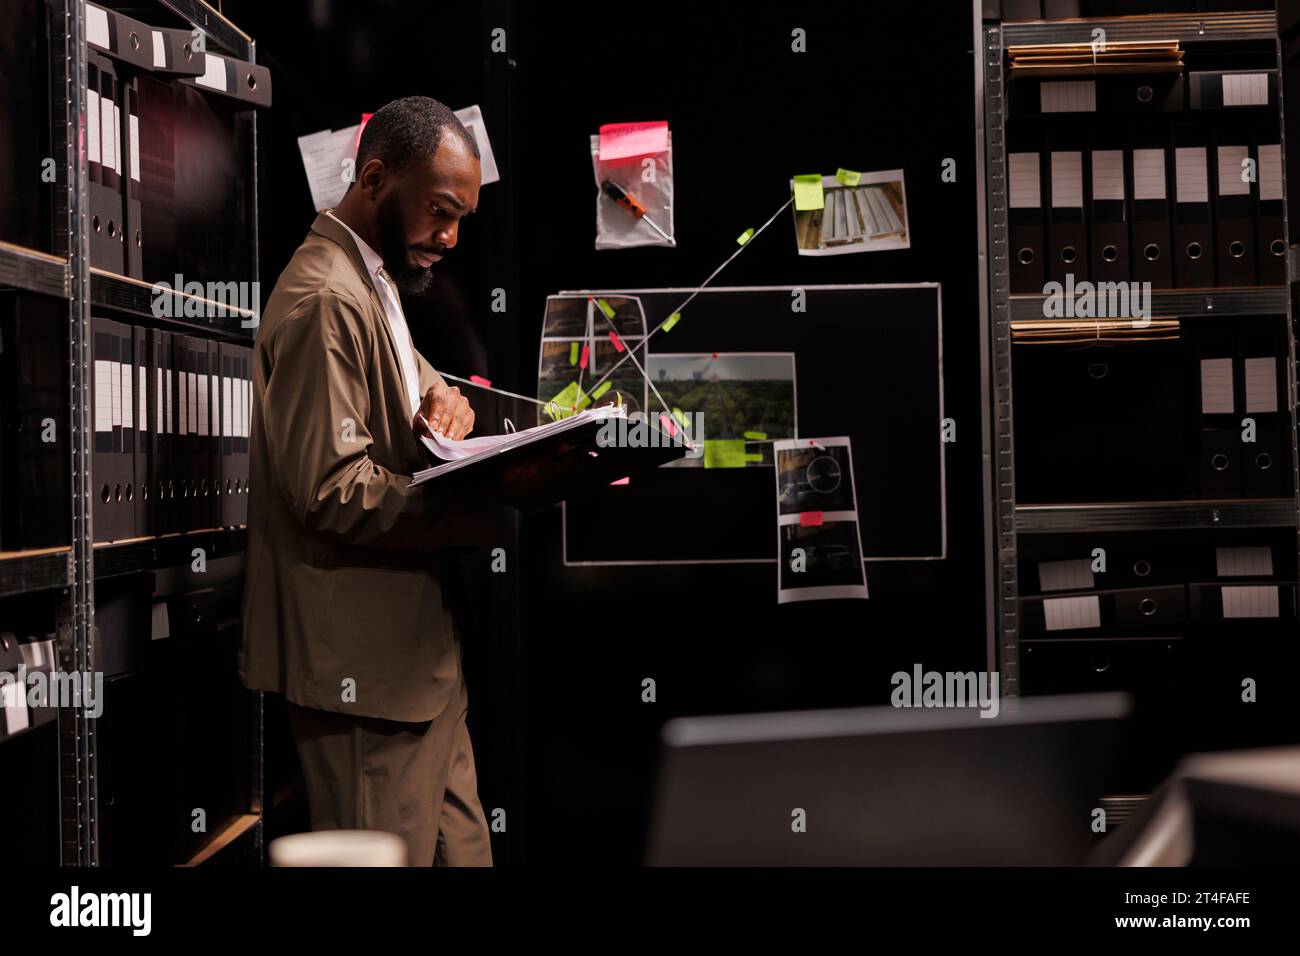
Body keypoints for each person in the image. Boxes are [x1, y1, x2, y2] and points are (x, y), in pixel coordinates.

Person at [240, 96, 495, 866]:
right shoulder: (325, 298)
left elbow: (428, 394)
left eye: (461, 219)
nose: (449, 238)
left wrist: (451, 406)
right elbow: (329, 489)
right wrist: (482, 501)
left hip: (417, 670)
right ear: (376, 177)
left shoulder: (374, 279)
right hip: (365, 681)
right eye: (439, 212)